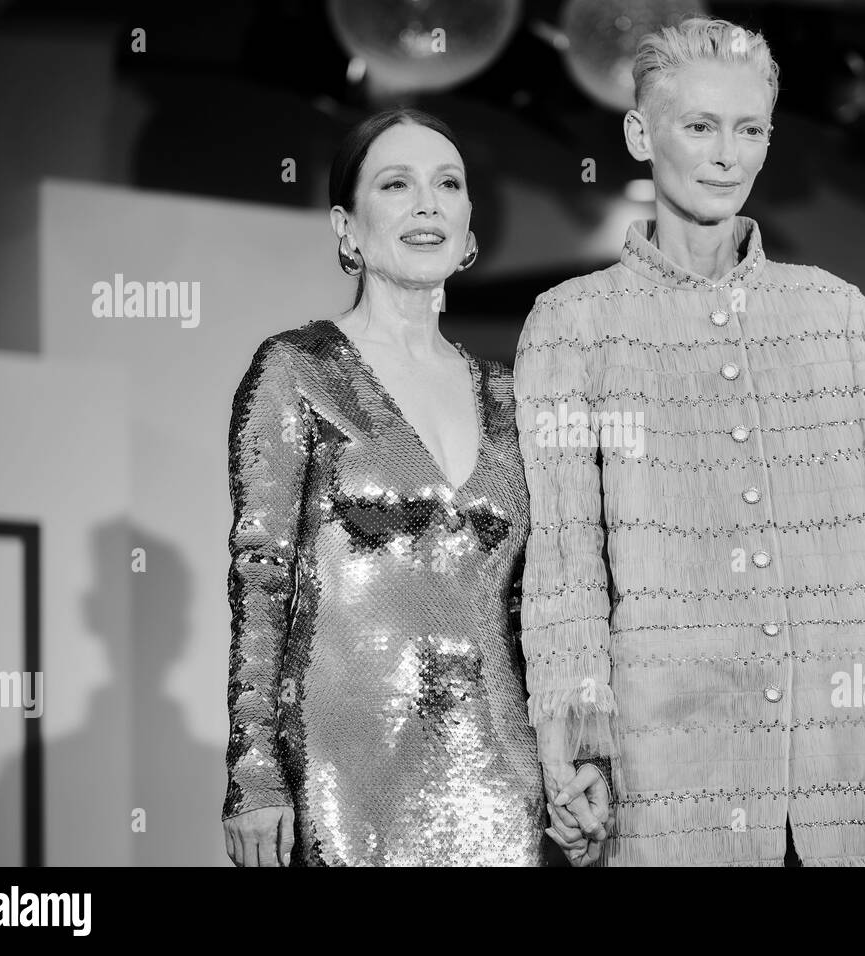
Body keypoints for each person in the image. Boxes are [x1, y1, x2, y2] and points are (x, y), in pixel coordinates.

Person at [514, 16, 865, 866]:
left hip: (831, 767)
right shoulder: (572, 325)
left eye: (750, 128)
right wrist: (569, 742)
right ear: (638, 133)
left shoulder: (839, 315)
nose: (727, 154)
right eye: (699, 126)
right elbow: (565, 564)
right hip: (663, 770)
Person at [220, 108, 606, 866]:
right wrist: (253, 774)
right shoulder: (299, 370)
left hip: (496, 770)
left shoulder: (512, 398)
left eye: (448, 184)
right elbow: (260, 581)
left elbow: (544, 607)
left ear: (468, 234)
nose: (427, 202)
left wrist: (572, 758)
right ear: (347, 228)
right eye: (396, 184)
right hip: (340, 765)